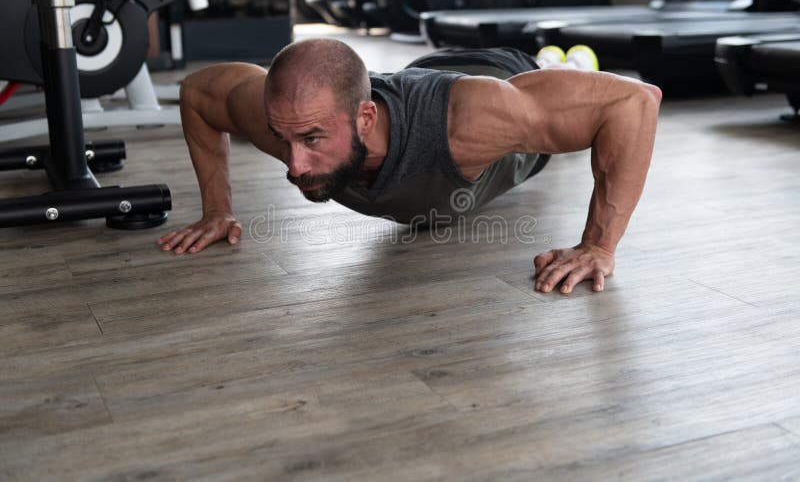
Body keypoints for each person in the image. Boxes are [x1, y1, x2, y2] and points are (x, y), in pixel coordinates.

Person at [157, 39, 661, 294]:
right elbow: (198, 93)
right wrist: (217, 210)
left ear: (364, 119)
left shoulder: (472, 122)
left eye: (312, 140)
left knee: (550, 81)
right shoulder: (289, 119)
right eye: (282, 138)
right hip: (422, 71)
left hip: (499, 77)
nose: (294, 165)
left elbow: (635, 102)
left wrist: (598, 246)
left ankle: (562, 63)